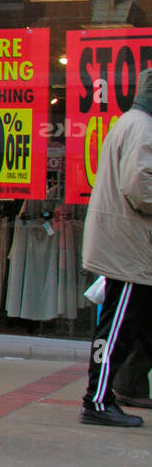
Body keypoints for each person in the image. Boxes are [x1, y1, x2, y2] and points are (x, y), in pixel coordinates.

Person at [78, 66, 152, 427]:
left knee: (134, 325)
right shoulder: (143, 127)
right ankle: (96, 400)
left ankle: (120, 389)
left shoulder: (131, 122)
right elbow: (140, 188)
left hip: (129, 247)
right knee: (115, 328)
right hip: (128, 250)